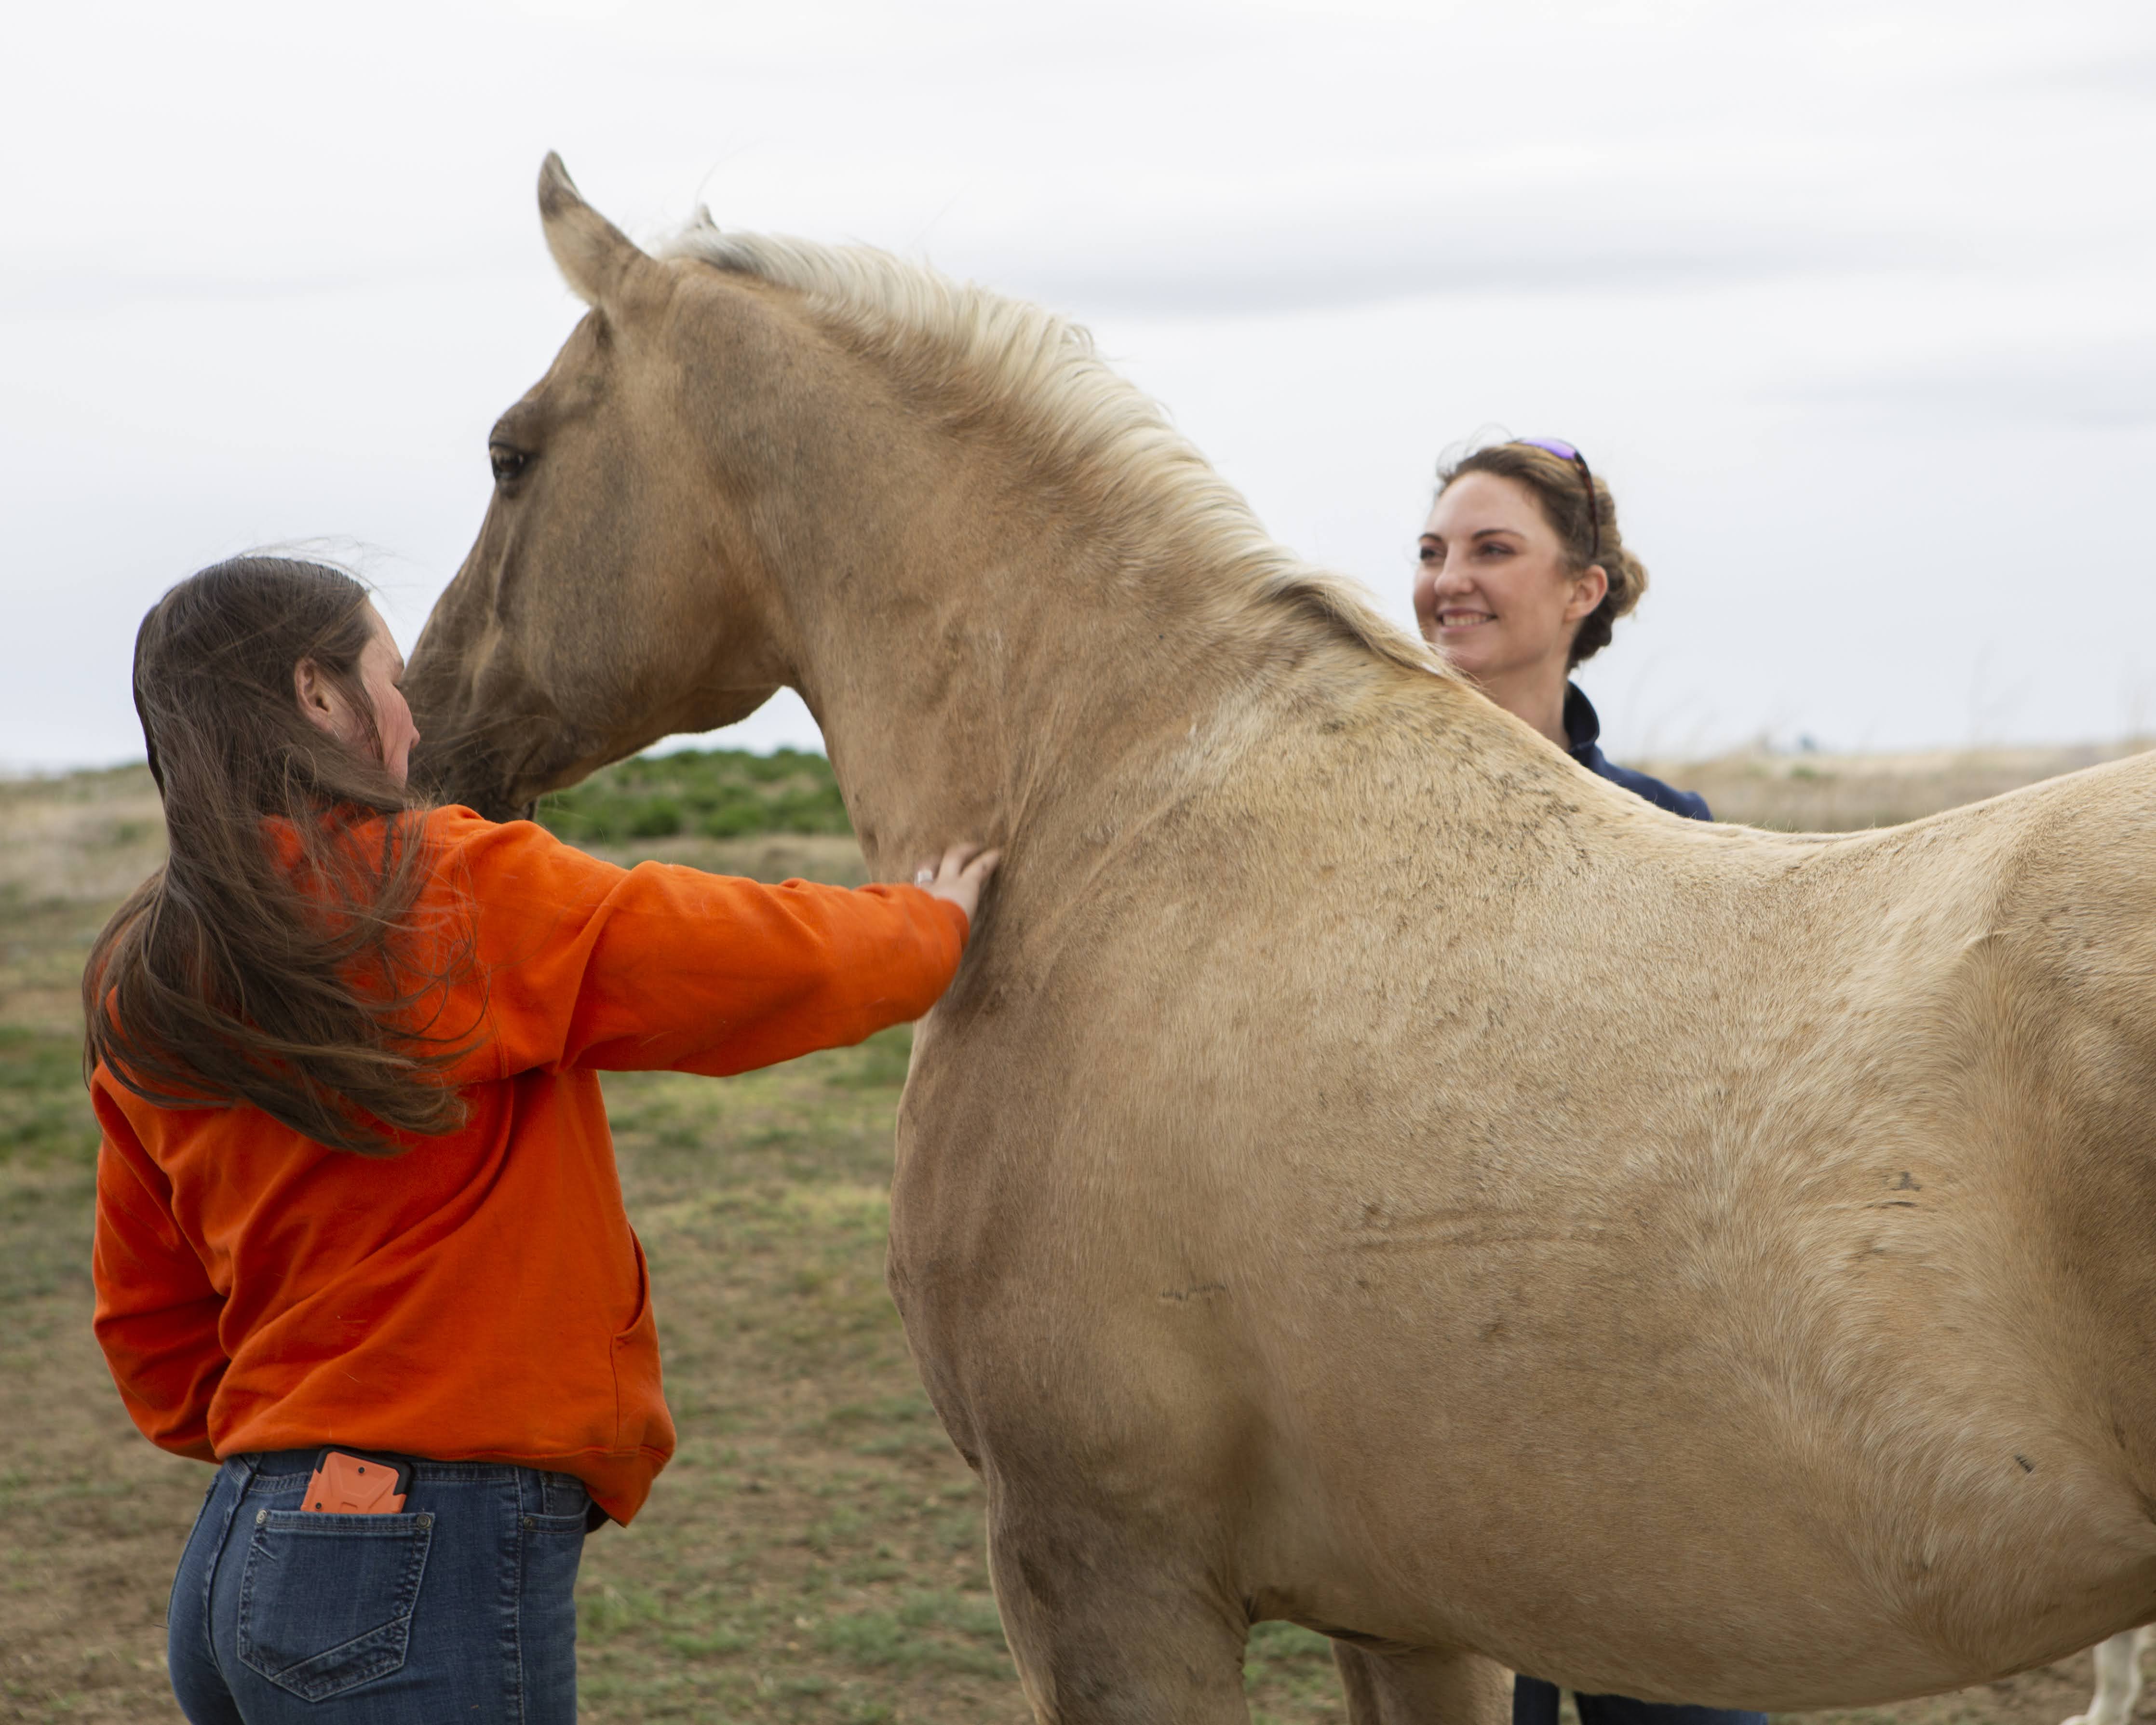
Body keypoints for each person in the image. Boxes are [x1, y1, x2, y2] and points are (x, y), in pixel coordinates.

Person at [84, 556, 998, 1724]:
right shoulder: (444, 888)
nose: (411, 716)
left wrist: (302, 1453)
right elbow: (745, 961)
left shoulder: (143, 974)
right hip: (415, 1551)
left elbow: (150, 1332)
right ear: (318, 696)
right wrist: (932, 926)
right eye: (391, 676)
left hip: (238, 1558)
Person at [1415, 440, 1748, 1725]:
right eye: (1434, 551)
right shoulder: (1339, 826)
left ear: (1583, 592)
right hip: (1418, 1357)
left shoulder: (1669, 831)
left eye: (1494, 550)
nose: (1451, 580)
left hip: (1631, 1361)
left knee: (1676, 1694)